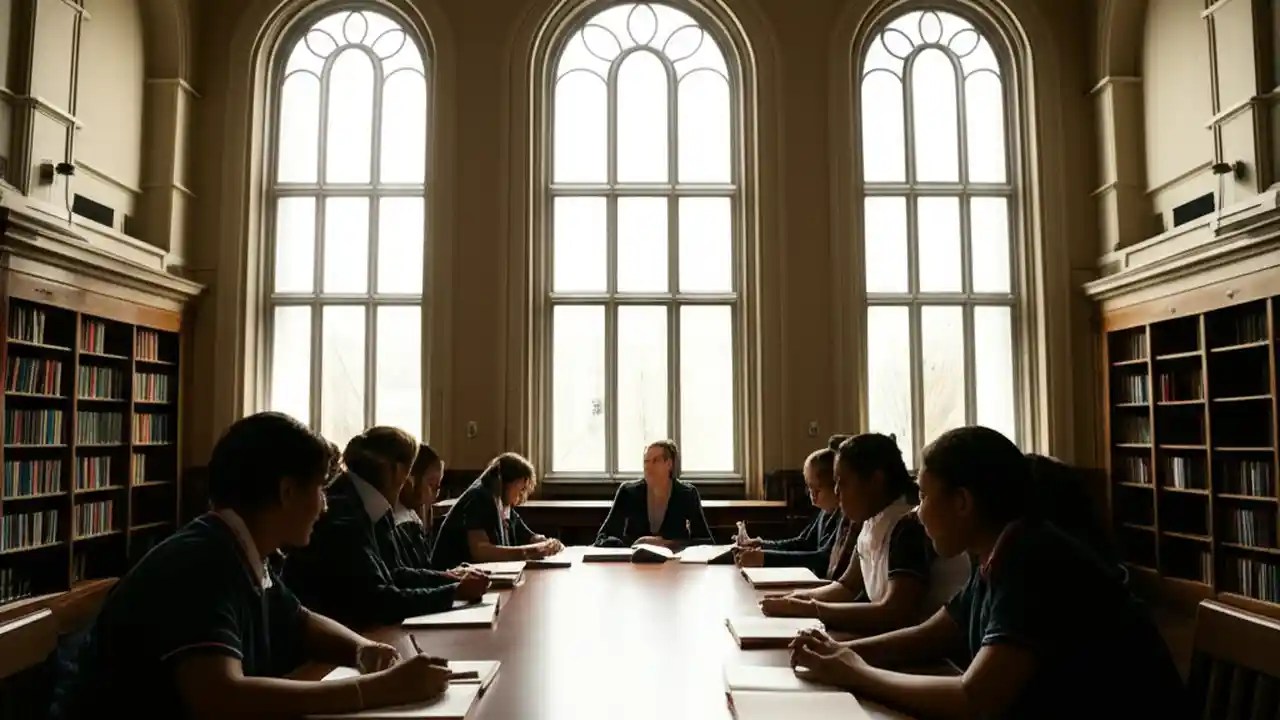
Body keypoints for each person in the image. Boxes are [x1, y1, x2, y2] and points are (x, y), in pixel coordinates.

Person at [53, 412, 451, 719]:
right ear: (287, 491)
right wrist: (375, 691)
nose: (325, 505)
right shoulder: (201, 562)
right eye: (320, 490)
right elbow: (221, 698)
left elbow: (298, 619)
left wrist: (364, 650)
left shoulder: (241, 547)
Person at [789, 426, 1189, 720]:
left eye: (925, 495)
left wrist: (857, 672)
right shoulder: (998, 550)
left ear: (963, 502)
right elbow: (933, 634)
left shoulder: (1036, 559)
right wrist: (840, 653)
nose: (916, 510)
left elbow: (975, 699)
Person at [758, 433, 969, 635]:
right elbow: (847, 586)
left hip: (937, 654)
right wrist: (793, 599)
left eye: (843, 482)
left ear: (875, 481)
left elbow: (894, 613)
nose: (838, 491)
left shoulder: (908, 525)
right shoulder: (871, 520)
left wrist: (810, 609)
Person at [284, 427, 489, 628]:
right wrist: (454, 592)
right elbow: (377, 601)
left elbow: (392, 573)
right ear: (398, 471)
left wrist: (446, 578)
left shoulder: (366, 503)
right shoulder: (342, 514)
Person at [735, 439, 851, 579]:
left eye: (818, 490)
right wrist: (762, 545)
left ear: (835, 486)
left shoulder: (847, 515)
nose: (812, 496)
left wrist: (765, 558)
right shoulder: (825, 511)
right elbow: (802, 542)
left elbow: (824, 558)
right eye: (809, 488)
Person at [429, 452, 564, 568]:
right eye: (521, 487)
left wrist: (544, 542)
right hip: (449, 580)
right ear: (507, 482)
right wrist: (530, 551)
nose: (522, 494)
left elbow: (528, 537)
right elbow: (481, 551)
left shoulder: (503, 505)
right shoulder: (479, 497)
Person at [594, 440, 714, 548]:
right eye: (646, 461)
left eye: (656, 460)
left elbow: (706, 542)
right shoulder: (628, 492)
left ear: (669, 464)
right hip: (634, 565)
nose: (648, 466)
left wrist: (666, 544)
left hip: (674, 567)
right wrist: (628, 546)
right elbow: (602, 537)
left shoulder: (686, 493)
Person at [389, 443, 444, 569]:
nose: (435, 495)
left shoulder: (412, 515)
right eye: (432, 485)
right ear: (409, 480)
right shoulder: (400, 524)